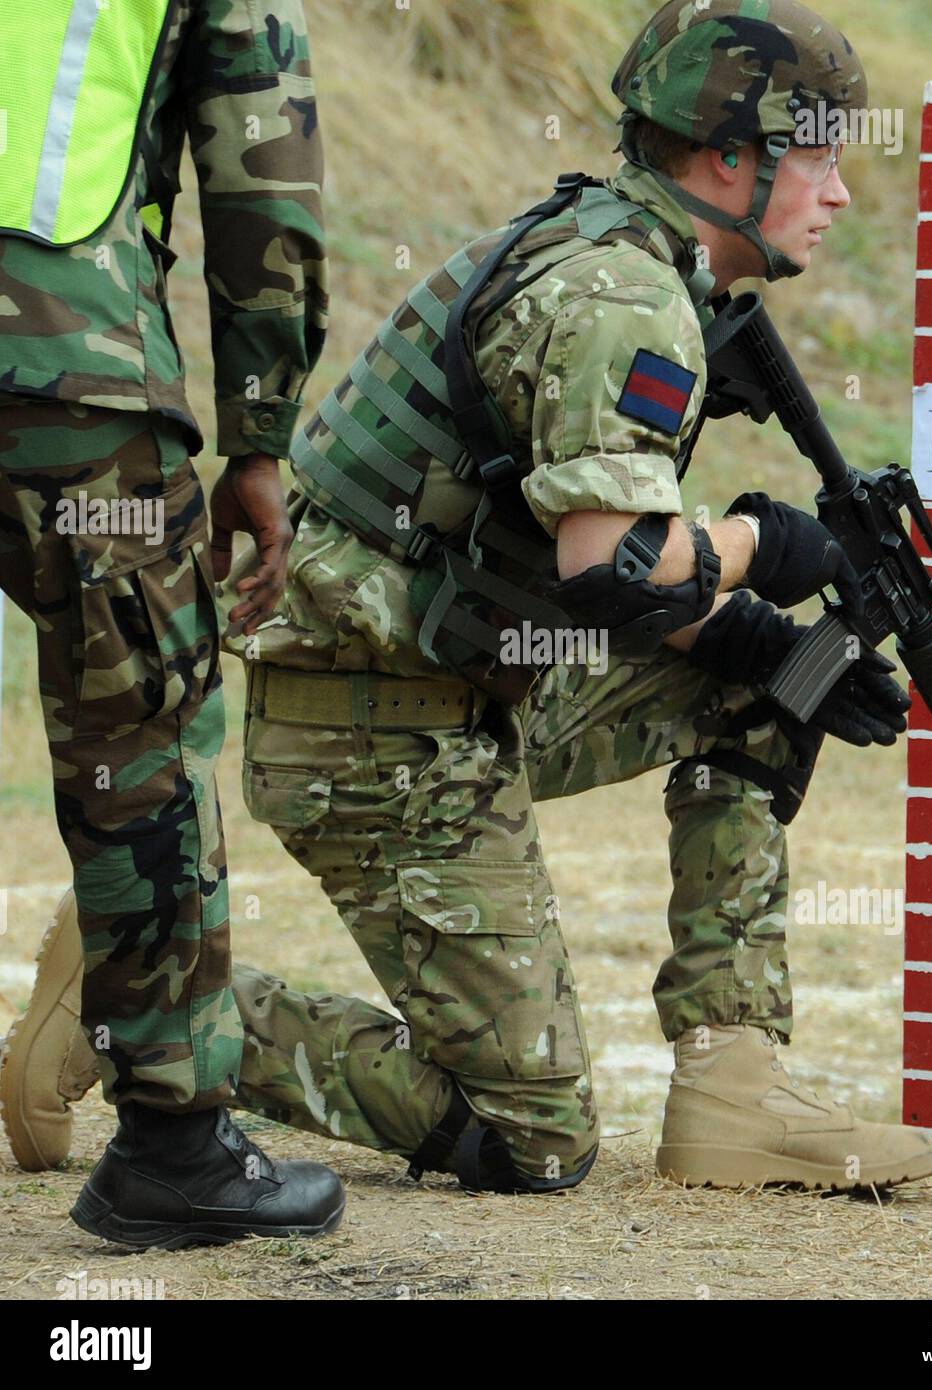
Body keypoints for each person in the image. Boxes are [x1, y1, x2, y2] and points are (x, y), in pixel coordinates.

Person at [9, 0, 932, 1196]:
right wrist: (762, 546)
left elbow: (589, 570)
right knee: (532, 1137)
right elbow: (608, 561)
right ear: (731, 160)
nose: (842, 195)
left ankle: (733, 1081)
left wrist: (770, 644)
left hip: (454, 673)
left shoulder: (630, 255)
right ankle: (132, 991)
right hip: (370, 724)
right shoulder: (622, 298)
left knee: (777, 685)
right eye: (819, 161)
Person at [0, 0, 345, 1245]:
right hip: (64, 359)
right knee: (137, 737)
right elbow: (264, 175)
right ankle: (174, 1146)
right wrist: (259, 429)